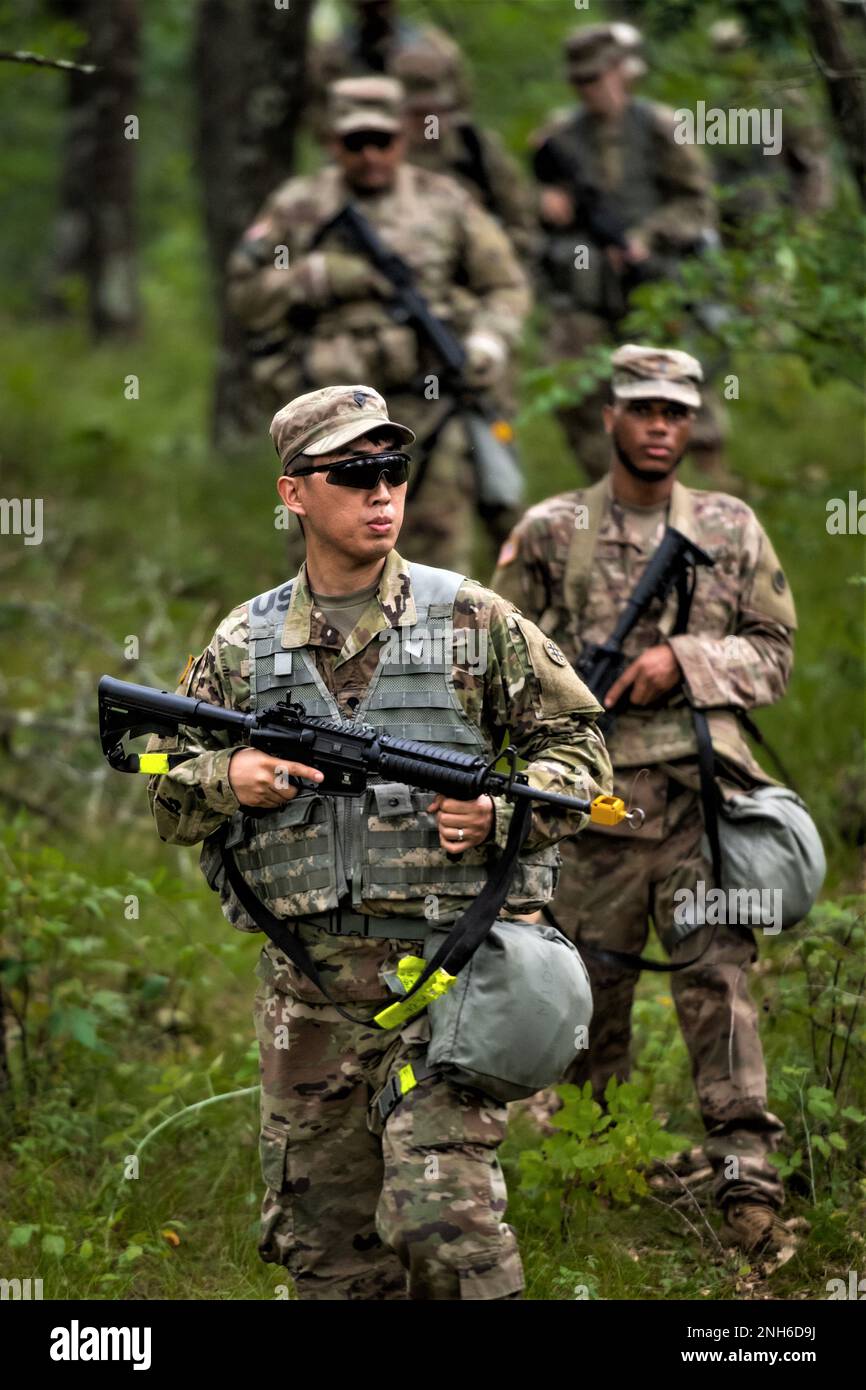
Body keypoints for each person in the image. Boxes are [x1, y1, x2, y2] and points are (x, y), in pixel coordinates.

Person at [146, 383, 613, 1300]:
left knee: (446, 1227)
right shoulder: (244, 645)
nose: (381, 492)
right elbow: (165, 791)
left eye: (394, 470)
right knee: (327, 1255)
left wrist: (503, 814)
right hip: (309, 995)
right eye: (354, 473)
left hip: (452, 978)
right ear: (294, 495)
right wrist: (223, 780)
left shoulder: (472, 620)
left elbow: (586, 753)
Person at [491, 345, 797, 1256]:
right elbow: (494, 665)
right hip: (595, 814)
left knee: (721, 988)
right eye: (644, 409)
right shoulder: (551, 531)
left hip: (704, 800)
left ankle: (748, 1175)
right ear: (611, 417)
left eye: (678, 411)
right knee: (588, 999)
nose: (663, 426)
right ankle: (599, 1169)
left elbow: (775, 655)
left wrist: (686, 661)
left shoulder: (730, 527)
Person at [227, 76, 530, 576]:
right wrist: (313, 277)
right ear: (332, 141)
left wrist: (488, 340)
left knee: (432, 548)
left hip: (426, 410)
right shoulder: (297, 206)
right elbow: (244, 294)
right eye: (355, 143)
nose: (369, 155)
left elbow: (506, 285)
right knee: (327, 559)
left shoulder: (445, 201)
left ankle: (430, 653)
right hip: (326, 425)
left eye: (381, 141)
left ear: (403, 138)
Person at [531, 23, 722, 480]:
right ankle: (613, 486)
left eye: (595, 78)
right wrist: (546, 206)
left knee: (681, 394)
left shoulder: (660, 127)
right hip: (587, 293)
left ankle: (712, 496)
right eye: (579, 81)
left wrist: (647, 236)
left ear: (621, 72)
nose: (588, 90)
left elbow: (698, 204)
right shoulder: (559, 135)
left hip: (652, 286)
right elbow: (529, 206)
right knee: (571, 388)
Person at [393, 43, 535, 257]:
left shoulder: (476, 148)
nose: (429, 121)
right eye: (418, 113)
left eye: (436, 111)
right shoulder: (380, 153)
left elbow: (523, 226)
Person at [306, 0, 472, 144]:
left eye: (381, 4)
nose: (377, 12)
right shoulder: (332, 56)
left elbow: (458, 105)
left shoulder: (434, 48)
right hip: (360, 155)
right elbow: (319, 116)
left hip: (425, 150)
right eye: (368, 6)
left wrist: (431, 133)